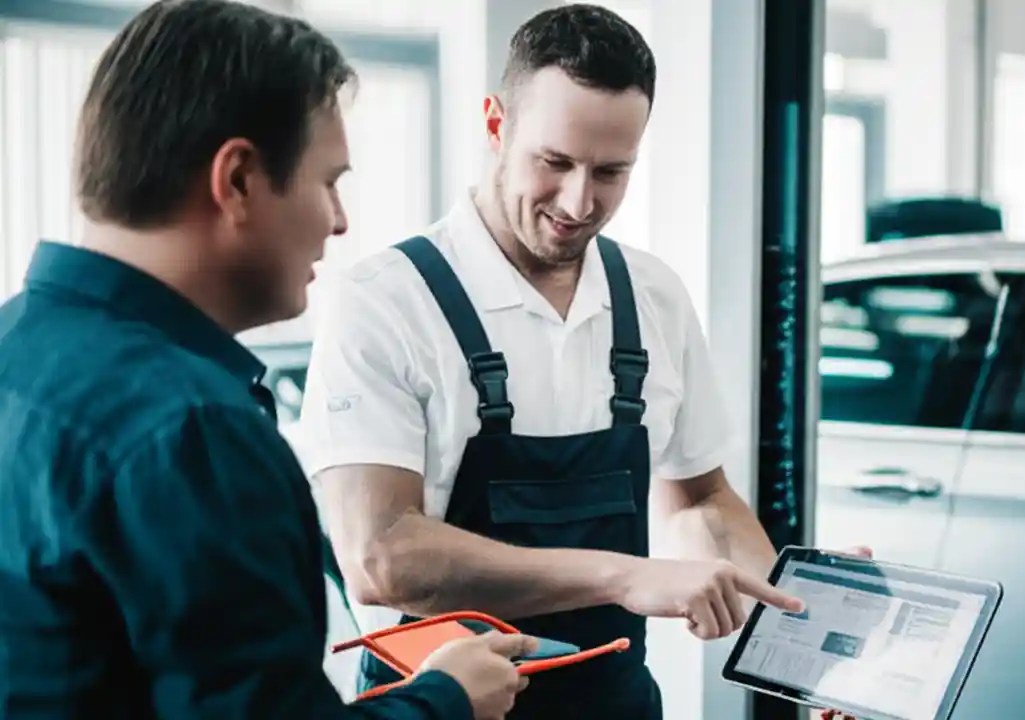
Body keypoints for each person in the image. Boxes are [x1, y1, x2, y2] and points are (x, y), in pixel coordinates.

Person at [299, 4, 865, 719]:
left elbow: (699, 501)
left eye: (611, 172)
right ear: (496, 124)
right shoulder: (385, 301)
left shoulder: (652, 294)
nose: (579, 200)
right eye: (555, 162)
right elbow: (383, 558)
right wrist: (624, 577)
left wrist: (801, 629)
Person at [0, 1, 533, 718]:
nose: (339, 220)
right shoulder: (192, 433)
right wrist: (444, 699)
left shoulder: (16, 348)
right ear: (240, 180)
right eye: (328, 181)